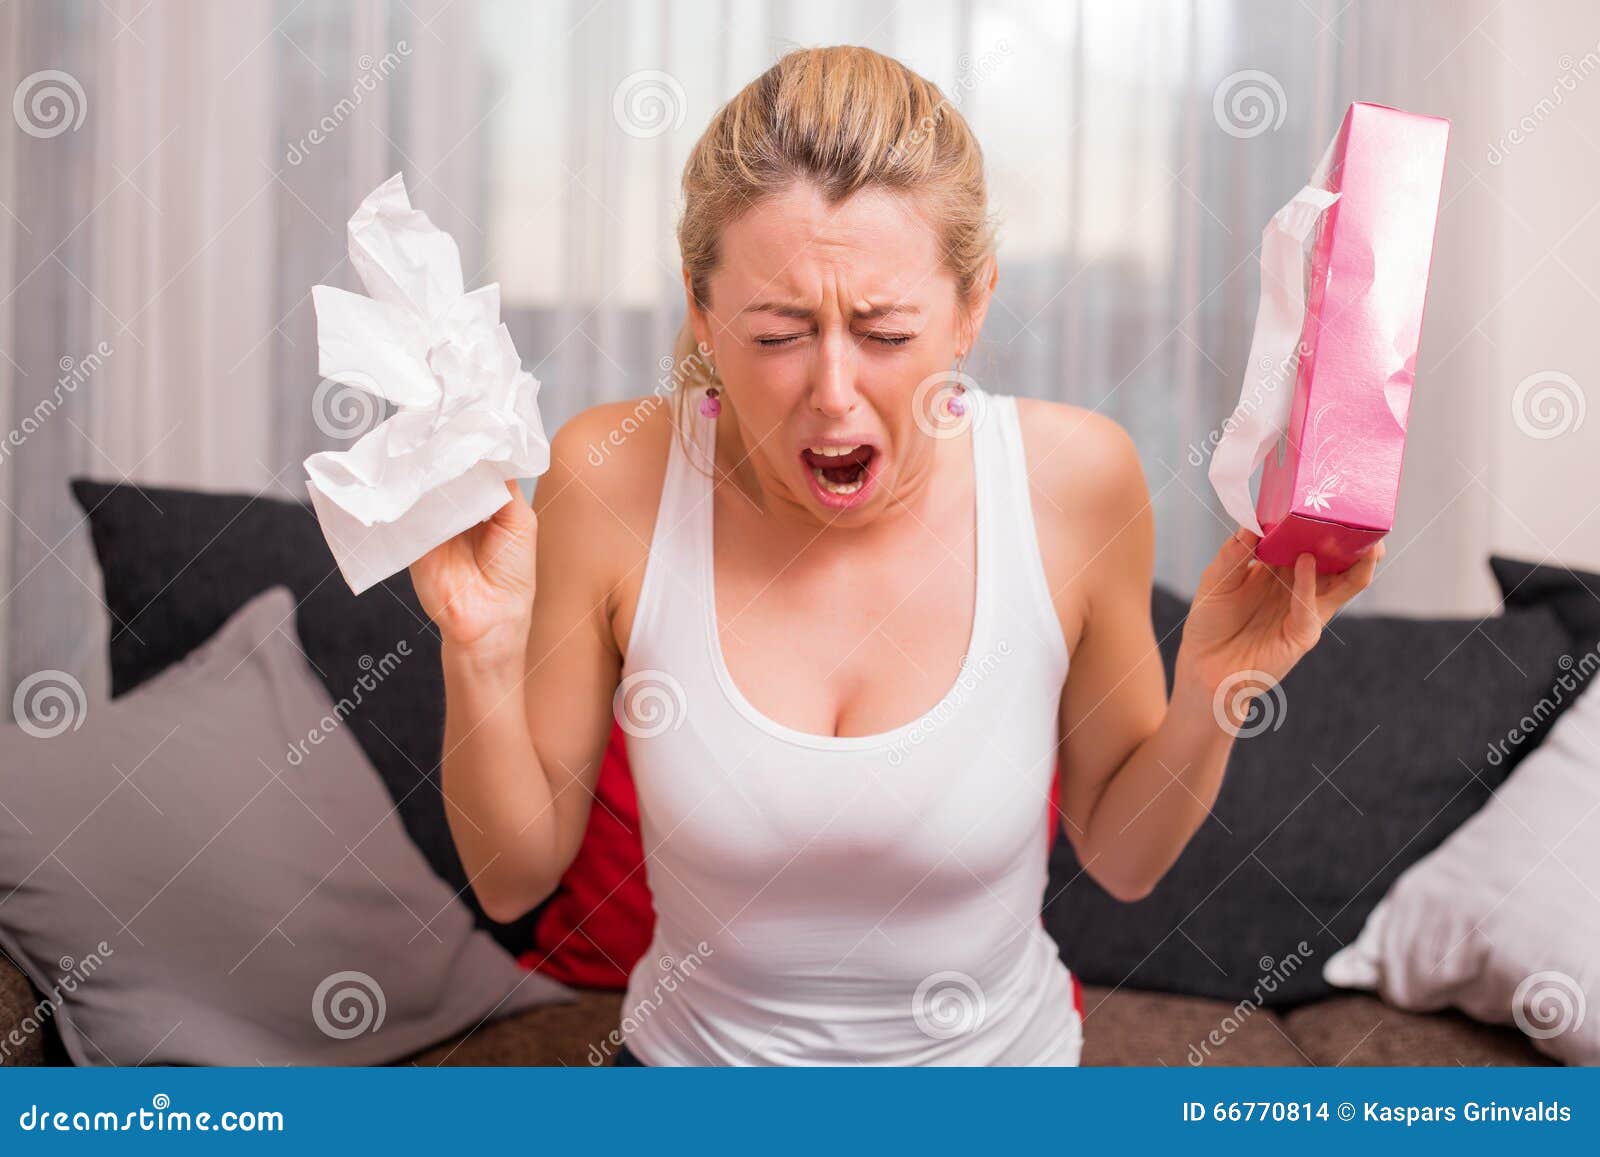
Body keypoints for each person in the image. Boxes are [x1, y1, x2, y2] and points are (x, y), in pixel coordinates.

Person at [407, 45, 1380, 1066]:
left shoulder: (1076, 478)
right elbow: (514, 878)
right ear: (701, 308)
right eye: (777, 333)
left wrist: (1216, 690)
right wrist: (477, 646)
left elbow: (1125, 859)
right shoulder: (609, 474)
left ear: (971, 305)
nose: (832, 392)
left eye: (884, 332)